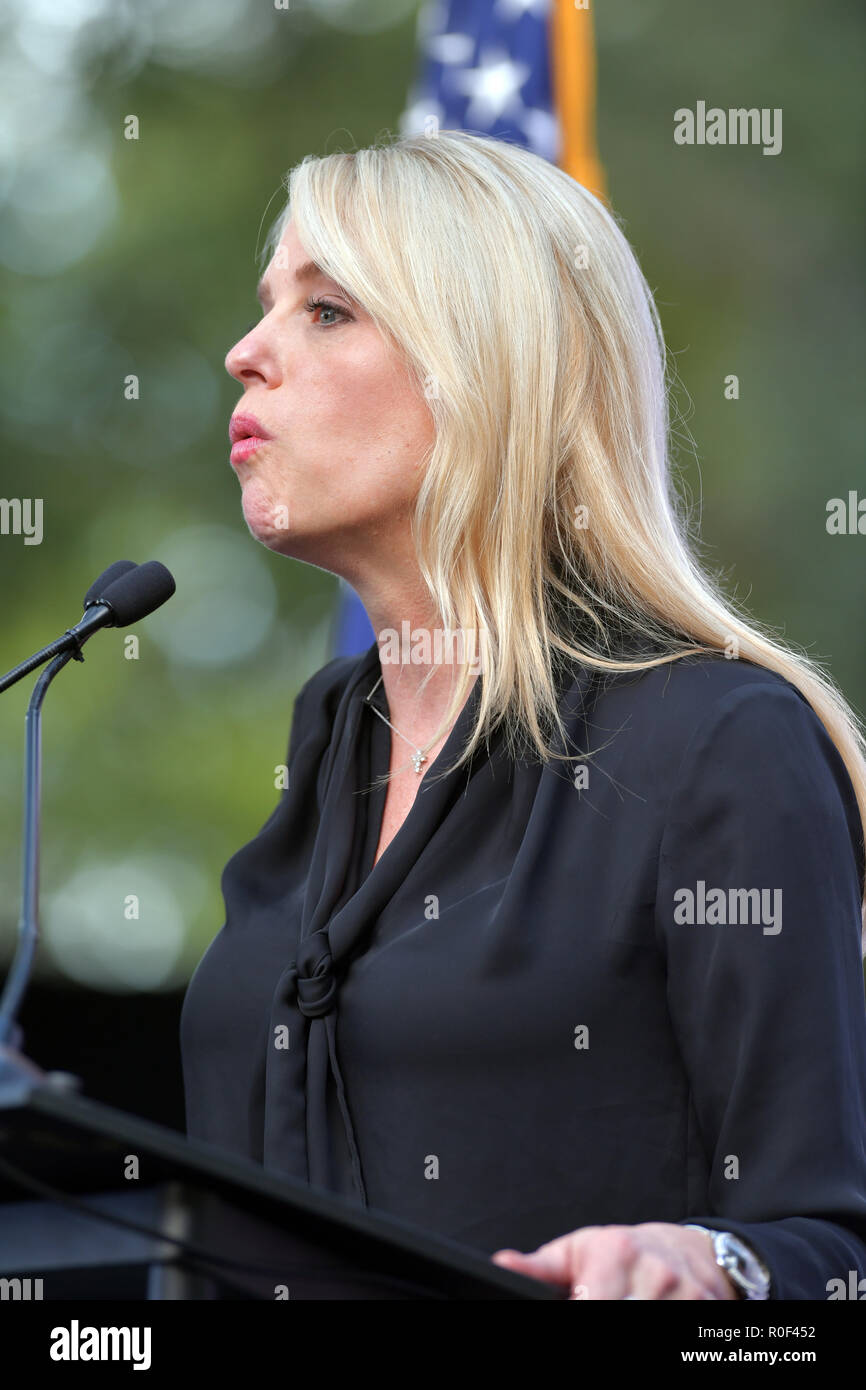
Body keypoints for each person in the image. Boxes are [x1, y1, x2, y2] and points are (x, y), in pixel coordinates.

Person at [180, 130, 866, 1301]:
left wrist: (711, 1266)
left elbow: (830, 1249)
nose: (246, 353)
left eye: (327, 310)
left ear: (486, 368)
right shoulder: (329, 735)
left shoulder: (716, 739)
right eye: (266, 308)